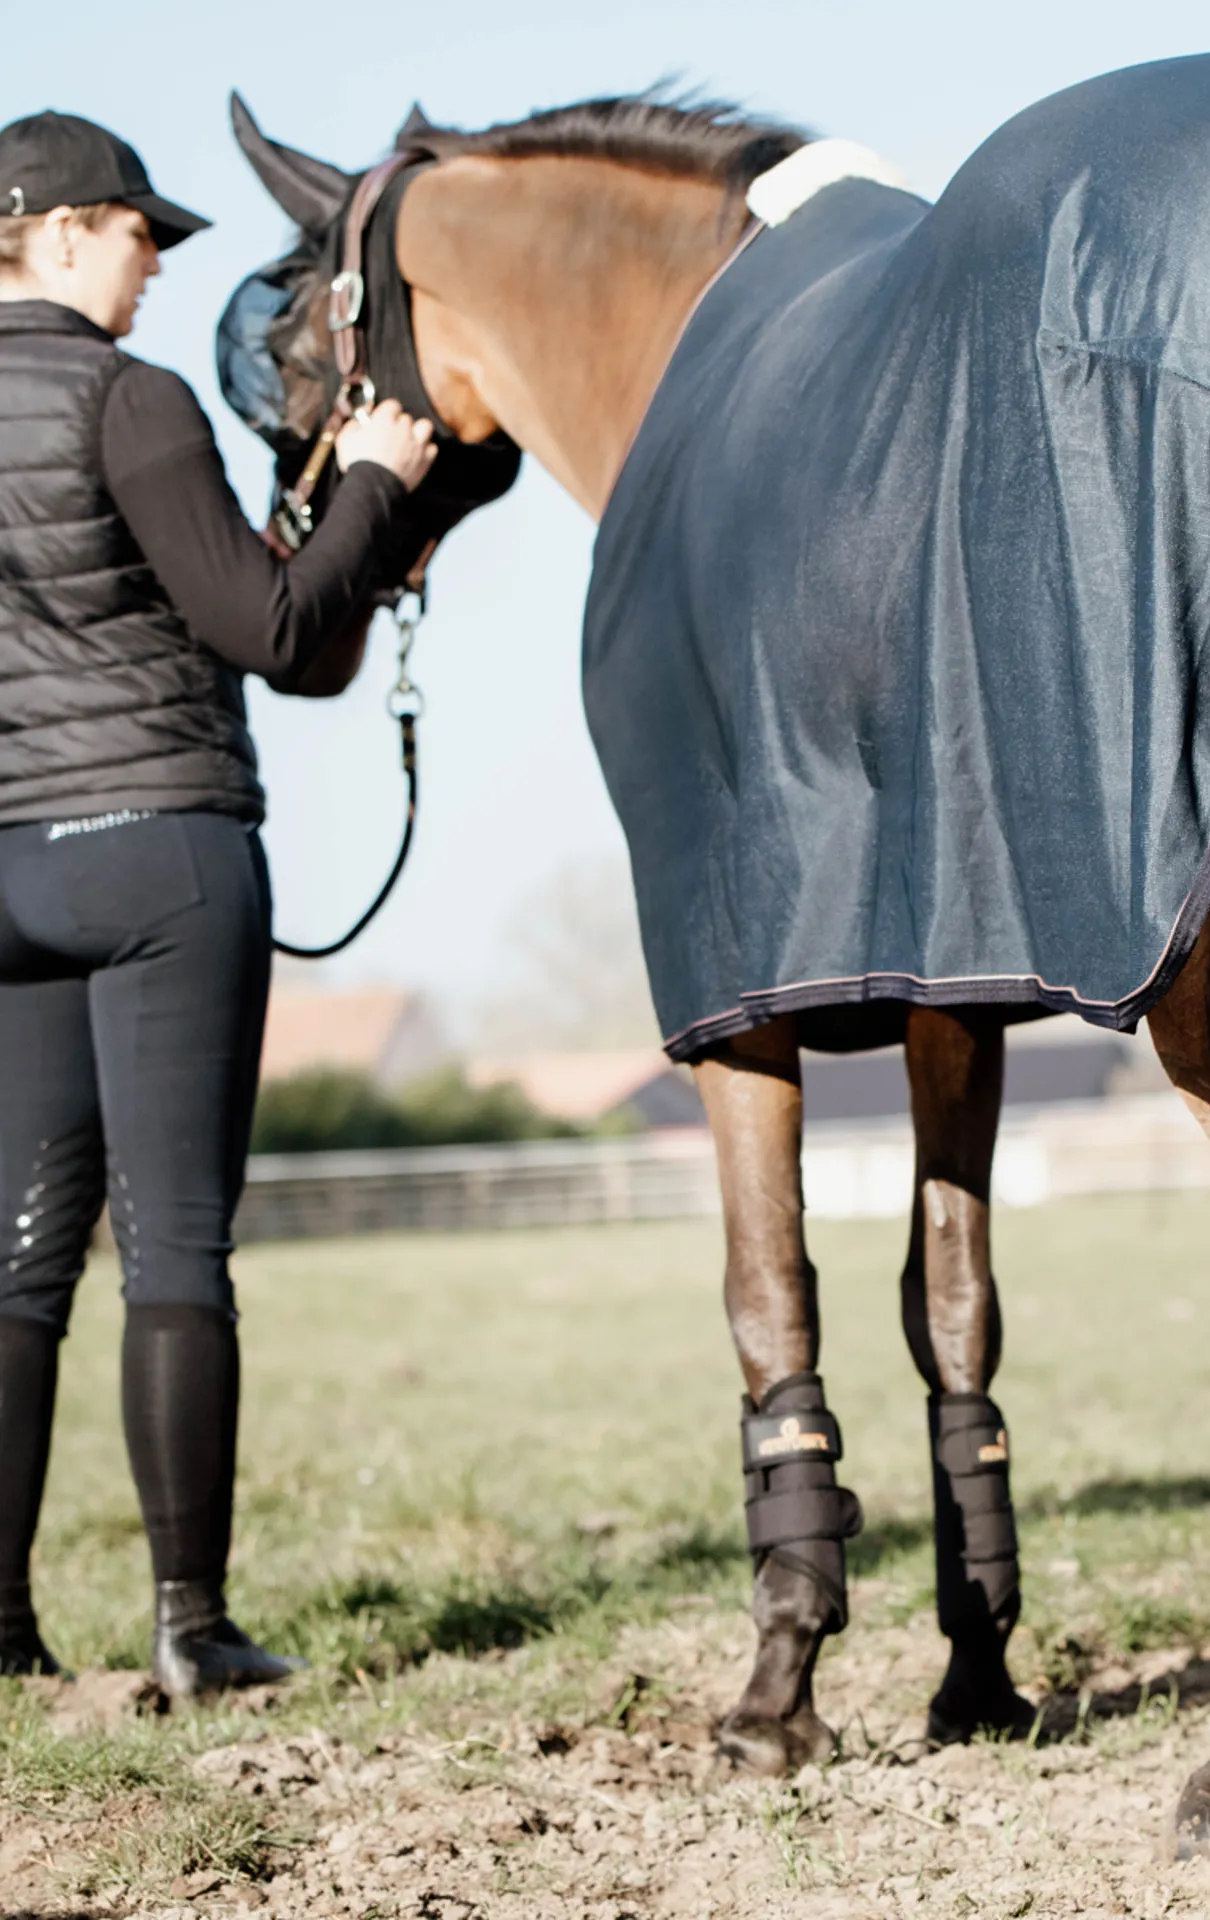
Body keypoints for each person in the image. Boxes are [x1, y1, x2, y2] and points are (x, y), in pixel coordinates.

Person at [0, 111, 436, 1698]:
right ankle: (191, 1629)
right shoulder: (134, 403)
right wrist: (379, 487)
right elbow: (274, 630)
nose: (154, 262)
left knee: (20, 1259)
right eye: (136, 232)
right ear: (49, 234)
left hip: (10, 870)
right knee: (175, 1245)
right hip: (160, 857)